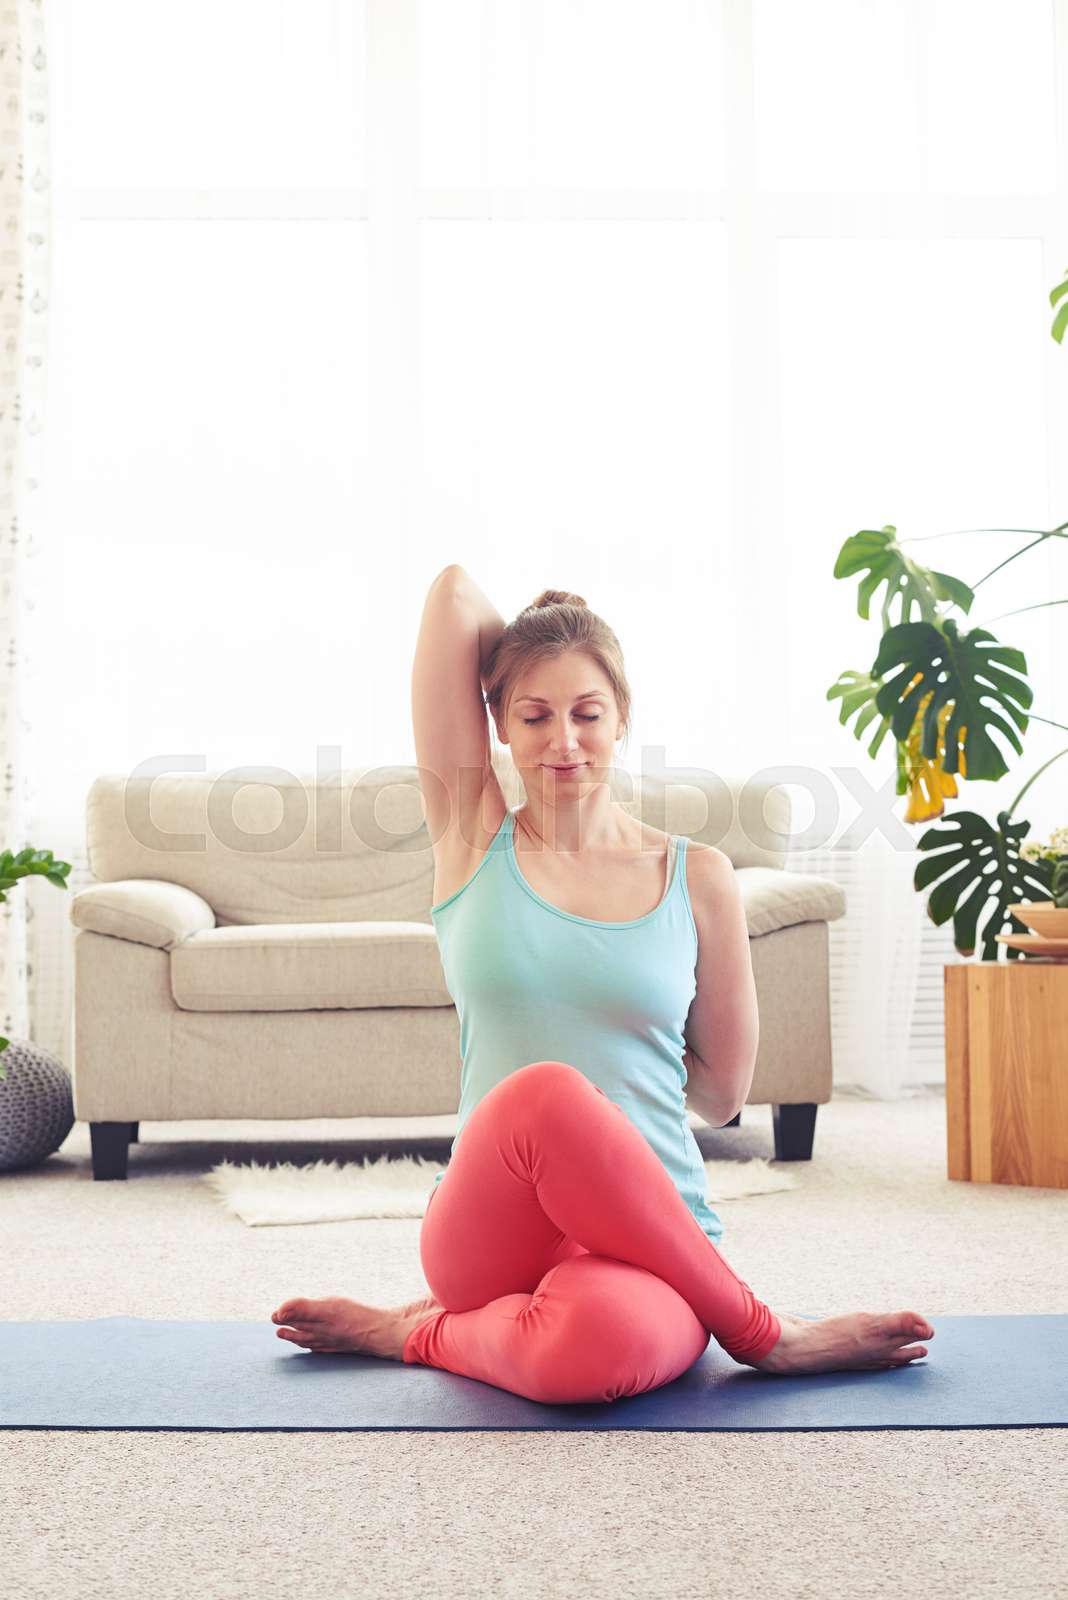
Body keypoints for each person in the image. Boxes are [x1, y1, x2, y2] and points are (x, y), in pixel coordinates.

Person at [271, 566, 934, 1404]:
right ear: (498, 726)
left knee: (591, 1351)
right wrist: (539, 633)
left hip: (647, 1241)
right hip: (491, 1230)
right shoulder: (470, 838)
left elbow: (723, 1097)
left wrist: (618, 1090)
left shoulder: (701, 878)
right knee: (546, 1095)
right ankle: (768, 1336)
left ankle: (415, 1330)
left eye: (588, 713)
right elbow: (450, 598)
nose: (564, 741)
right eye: (534, 715)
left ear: (623, 718)